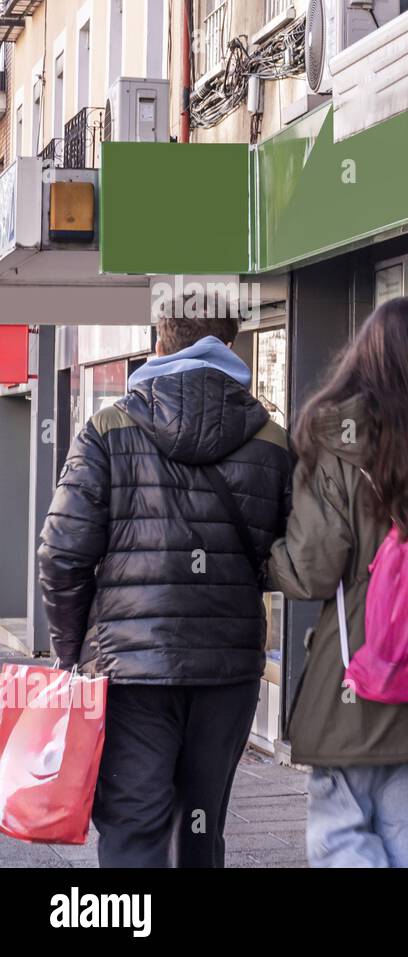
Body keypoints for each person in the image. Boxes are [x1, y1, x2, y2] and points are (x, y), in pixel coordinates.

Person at [37, 314, 294, 868]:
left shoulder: (107, 427)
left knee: (132, 824)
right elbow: (297, 553)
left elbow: (61, 553)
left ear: (157, 344)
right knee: (201, 827)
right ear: (229, 346)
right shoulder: (273, 440)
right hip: (227, 671)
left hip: (130, 673)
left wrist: (72, 650)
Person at [267, 296, 408, 868]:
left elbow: (314, 568)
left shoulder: (336, 445)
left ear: (365, 359)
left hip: (356, 689)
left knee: (338, 834)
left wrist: (264, 557)